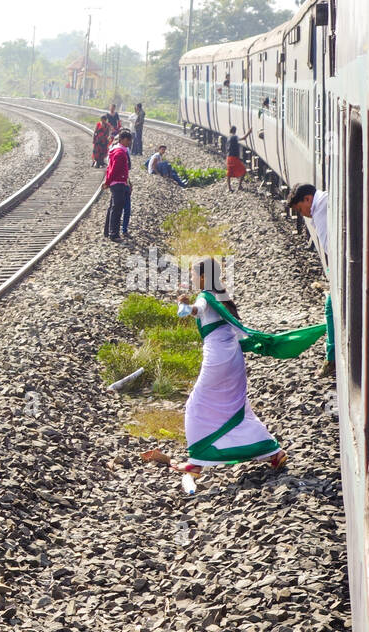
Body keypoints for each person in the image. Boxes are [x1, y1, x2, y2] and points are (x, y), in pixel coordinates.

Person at [145, 257, 288, 472]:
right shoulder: (221, 297)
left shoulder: (206, 296)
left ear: (203, 277)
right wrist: (184, 306)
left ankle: (198, 461)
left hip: (218, 358)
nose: (192, 279)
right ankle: (273, 453)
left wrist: (183, 304)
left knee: (196, 405)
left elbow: (193, 311)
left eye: (193, 275)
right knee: (236, 407)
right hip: (233, 357)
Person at [288, 182, 335, 376]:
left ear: (308, 199)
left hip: (344, 269)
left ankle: (331, 359)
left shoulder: (320, 208)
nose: (302, 214)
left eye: (300, 209)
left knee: (330, 308)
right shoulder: (324, 202)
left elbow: (329, 246)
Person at [102, 129, 133, 241]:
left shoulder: (117, 150)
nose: (129, 143)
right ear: (124, 139)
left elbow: (111, 169)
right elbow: (113, 170)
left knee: (113, 208)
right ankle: (113, 234)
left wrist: (108, 182)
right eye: (128, 140)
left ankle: (108, 231)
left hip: (118, 183)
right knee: (117, 209)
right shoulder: (120, 153)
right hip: (118, 183)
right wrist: (107, 182)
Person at [225, 125, 253, 192]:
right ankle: (239, 186)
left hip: (228, 157)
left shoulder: (228, 137)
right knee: (243, 170)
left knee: (229, 173)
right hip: (234, 158)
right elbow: (243, 138)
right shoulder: (235, 137)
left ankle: (229, 188)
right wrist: (249, 132)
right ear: (235, 131)